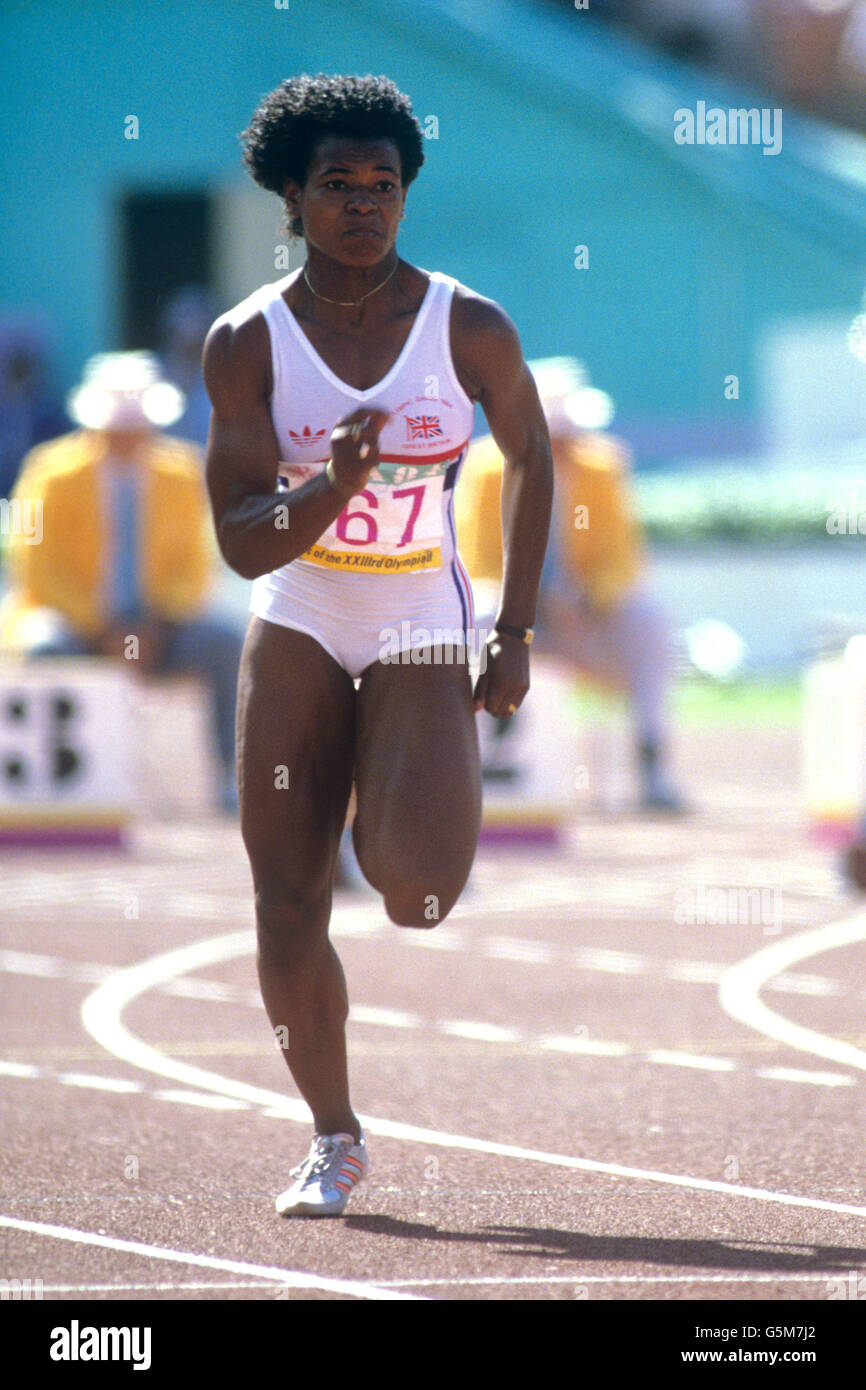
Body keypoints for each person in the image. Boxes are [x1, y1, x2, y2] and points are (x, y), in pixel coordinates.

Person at [203, 73, 552, 1217]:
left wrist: (512, 631)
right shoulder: (247, 342)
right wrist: (335, 486)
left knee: (415, 893)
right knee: (285, 902)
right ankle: (333, 1135)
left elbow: (531, 461)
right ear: (292, 197)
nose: (365, 204)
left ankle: (391, 783)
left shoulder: (469, 325)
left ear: (407, 194)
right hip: (301, 611)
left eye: (385, 185)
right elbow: (247, 546)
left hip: (415, 613)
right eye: (339, 185)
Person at [0, 351, 244, 813]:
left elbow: (195, 565)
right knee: (42, 647)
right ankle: (53, 787)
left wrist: (155, 623)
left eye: (137, 427)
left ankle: (231, 776)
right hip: (77, 630)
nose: (128, 437)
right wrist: (103, 625)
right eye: (118, 427)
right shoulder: (47, 471)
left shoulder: (184, 472)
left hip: (159, 631)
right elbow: (32, 565)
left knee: (225, 641)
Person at [456, 357, 685, 812]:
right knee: (476, 614)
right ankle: (473, 764)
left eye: (565, 433)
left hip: (586, 618)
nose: (561, 443)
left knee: (649, 622)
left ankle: (652, 763)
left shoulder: (604, 467)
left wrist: (585, 599)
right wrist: (523, 606)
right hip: (509, 618)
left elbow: (622, 558)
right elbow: (475, 556)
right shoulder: (484, 471)